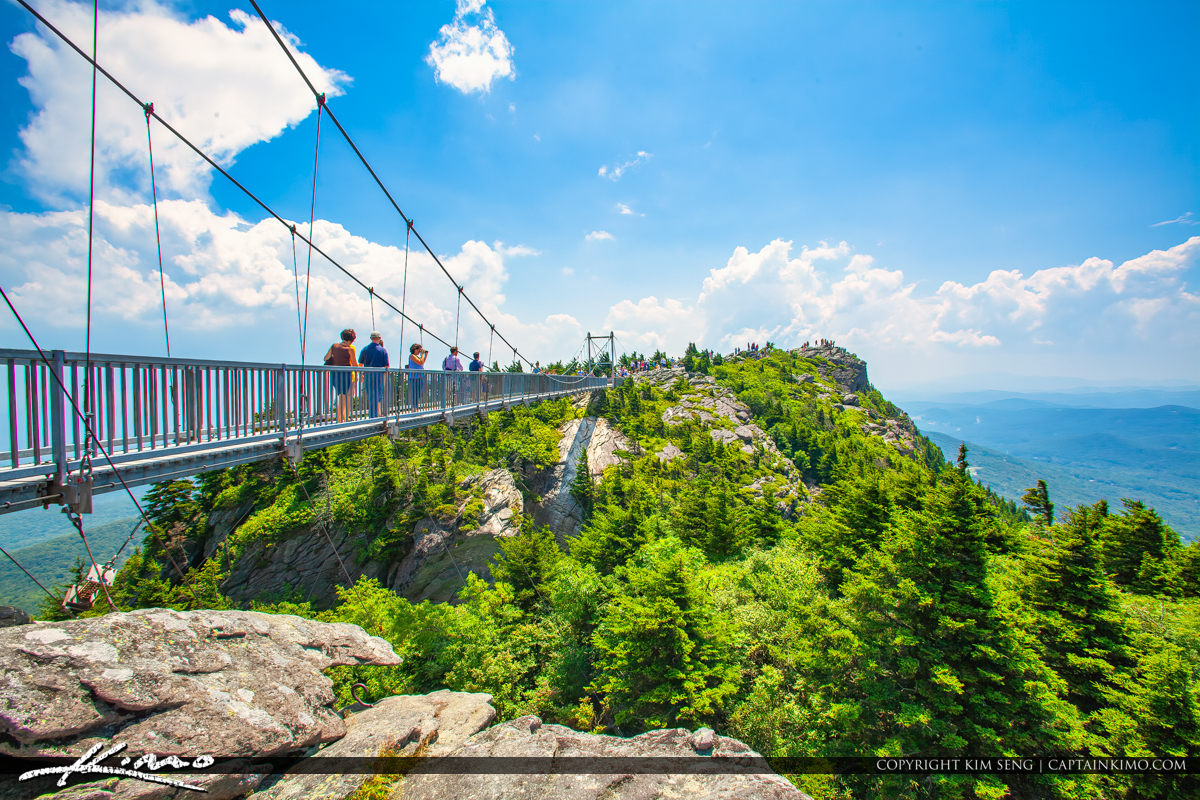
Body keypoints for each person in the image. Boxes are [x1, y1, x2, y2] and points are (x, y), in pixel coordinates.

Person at [323, 329, 358, 423]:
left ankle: (339, 418)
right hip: (347, 374)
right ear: (352, 340)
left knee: (340, 396)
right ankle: (345, 417)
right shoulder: (350, 349)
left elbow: (325, 358)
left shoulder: (334, 346)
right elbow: (355, 364)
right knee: (348, 397)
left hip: (335, 374)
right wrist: (359, 375)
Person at [358, 331, 389, 418]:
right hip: (379, 375)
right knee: (378, 394)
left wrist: (361, 375)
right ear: (379, 338)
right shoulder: (383, 350)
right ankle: (374, 415)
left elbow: (360, 364)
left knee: (370, 395)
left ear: (371, 338)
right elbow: (387, 366)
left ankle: (374, 414)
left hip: (367, 374)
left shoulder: (364, 349)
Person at [406, 342, 427, 410]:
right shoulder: (412, 356)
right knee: (415, 393)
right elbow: (420, 362)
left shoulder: (417, 356)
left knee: (418, 393)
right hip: (414, 377)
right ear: (415, 349)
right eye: (419, 350)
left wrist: (425, 355)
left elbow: (422, 362)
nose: (419, 351)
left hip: (419, 377)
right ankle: (414, 407)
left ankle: (416, 406)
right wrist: (422, 355)